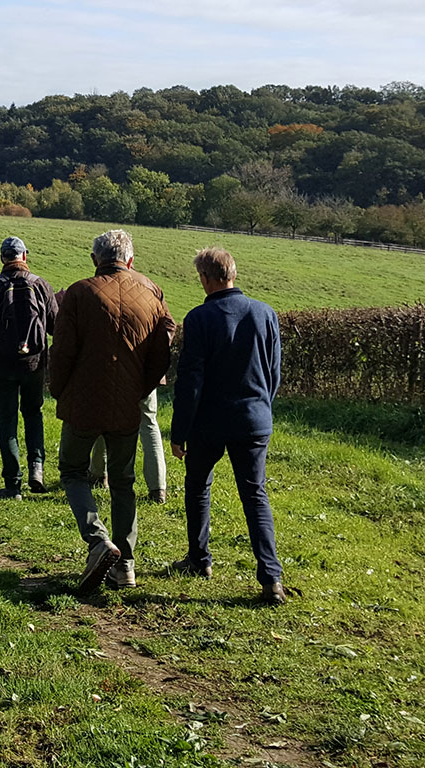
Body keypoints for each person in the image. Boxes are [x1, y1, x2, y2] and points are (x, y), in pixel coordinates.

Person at [50, 229, 174, 593]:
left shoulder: (78, 292)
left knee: (72, 470)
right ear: (131, 259)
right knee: (124, 483)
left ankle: (98, 539)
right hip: (127, 404)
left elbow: (62, 352)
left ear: (95, 260)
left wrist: (60, 390)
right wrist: (142, 386)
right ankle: (127, 564)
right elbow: (163, 344)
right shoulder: (152, 292)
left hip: (83, 402)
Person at [168, 247, 286, 605]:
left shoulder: (200, 318)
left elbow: (190, 381)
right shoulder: (265, 313)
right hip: (253, 419)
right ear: (233, 273)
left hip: (208, 421)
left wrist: (179, 431)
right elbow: (274, 373)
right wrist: (262, 406)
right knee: (255, 495)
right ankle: (271, 577)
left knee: (198, 486)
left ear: (205, 278)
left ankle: (199, 558)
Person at [0, 236, 57, 499]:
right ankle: (37, 470)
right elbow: (56, 326)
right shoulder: (41, 285)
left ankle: (12, 483)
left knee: (7, 421)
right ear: (24, 257)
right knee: (33, 414)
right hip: (34, 364)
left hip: (2, 364)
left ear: (2, 258)